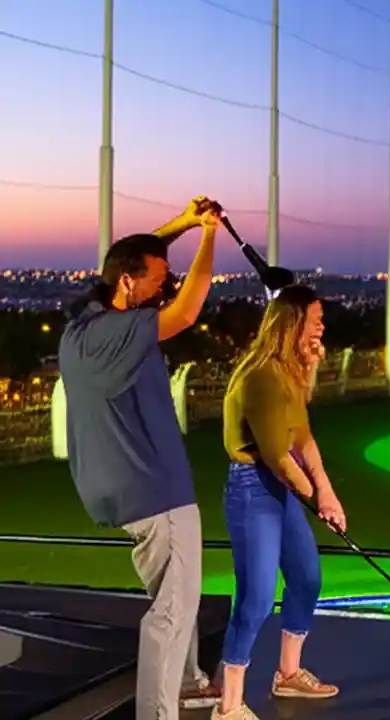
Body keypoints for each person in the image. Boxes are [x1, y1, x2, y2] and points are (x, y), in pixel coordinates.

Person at [58, 196, 225, 716]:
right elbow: (187, 312)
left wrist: (183, 222)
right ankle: (159, 711)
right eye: (158, 279)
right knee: (171, 612)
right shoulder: (120, 331)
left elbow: (130, 254)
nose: (166, 286)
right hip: (156, 489)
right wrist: (210, 235)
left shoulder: (84, 323)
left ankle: (191, 680)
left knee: (177, 596)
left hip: (117, 491)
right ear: (129, 283)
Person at [215, 284, 344, 720]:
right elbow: (276, 457)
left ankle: (287, 674)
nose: (322, 325)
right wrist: (314, 498)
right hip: (253, 486)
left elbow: (302, 437)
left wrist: (326, 491)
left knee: (307, 578)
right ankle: (229, 705)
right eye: (316, 318)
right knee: (256, 598)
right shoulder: (260, 375)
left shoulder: (289, 370)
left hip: (282, 488)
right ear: (292, 323)